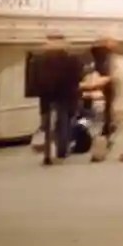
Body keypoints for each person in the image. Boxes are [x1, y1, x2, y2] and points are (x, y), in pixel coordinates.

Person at [33, 33, 84, 165]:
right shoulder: (72, 59)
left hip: (47, 96)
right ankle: (61, 151)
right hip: (65, 95)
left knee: (47, 125)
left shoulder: (39, 59)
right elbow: (78, 77)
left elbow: (35, 79)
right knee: (63, 123)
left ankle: (47, 154)